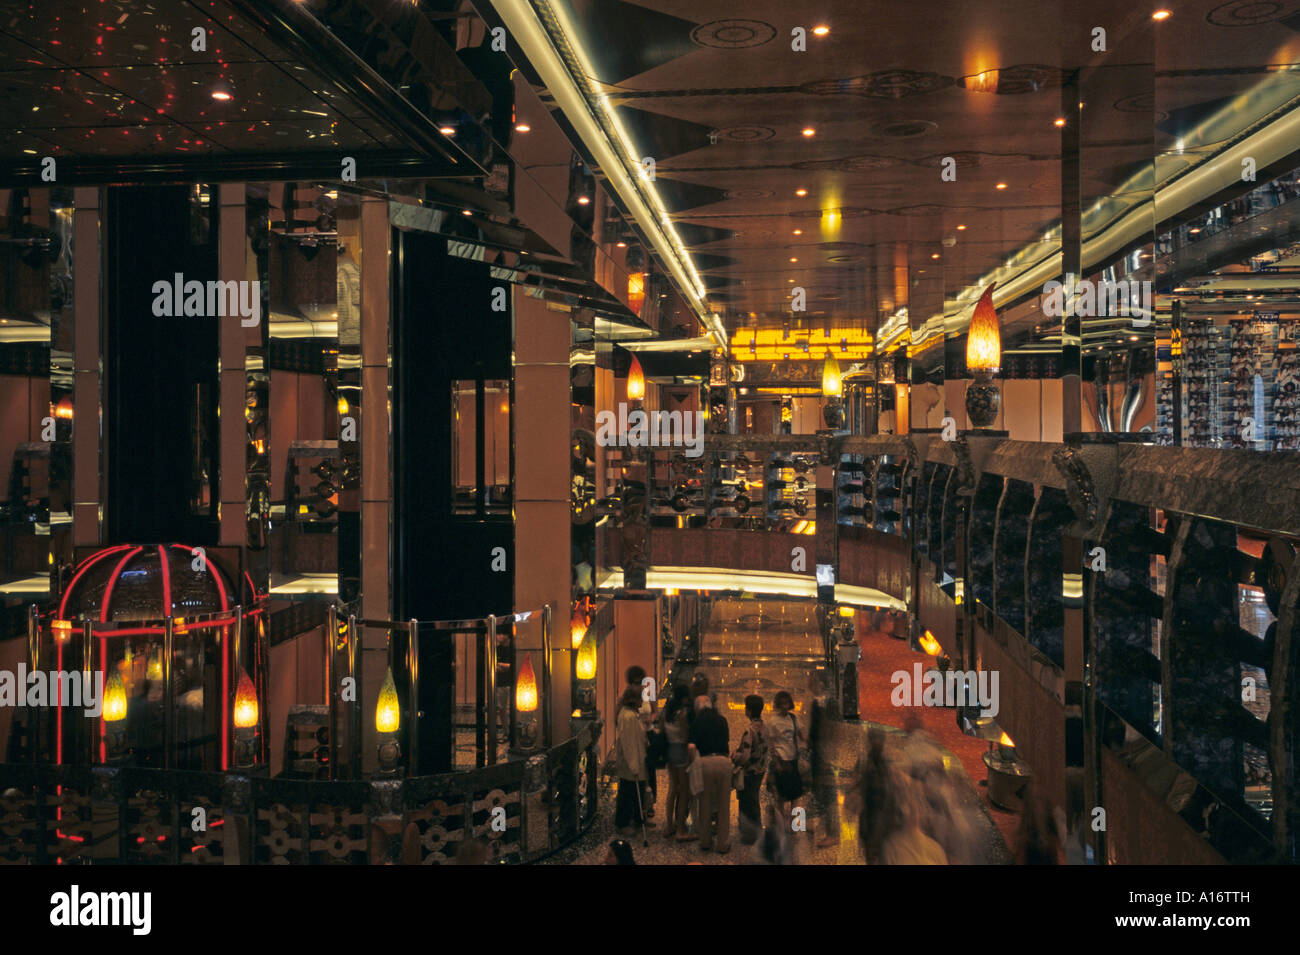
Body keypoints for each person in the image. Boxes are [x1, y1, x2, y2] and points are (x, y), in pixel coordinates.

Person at [689, 694, 732, 853]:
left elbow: (692, 747)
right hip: (723, 761)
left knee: (705, 803)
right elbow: (726, 743)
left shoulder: (696, 722)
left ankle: (705, 841)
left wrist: (694, 765)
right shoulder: (722, 720)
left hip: (705, 763)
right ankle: (723, 844)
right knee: (723, 805)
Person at [878, 767, 947, 865]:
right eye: (908, 800)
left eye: (919, 800)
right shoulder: (892, 846)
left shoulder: (935, 849)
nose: (917, 806)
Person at [731, 694, 767, 845]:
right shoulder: (765, 727)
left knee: (747, 801)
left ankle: (749, 833)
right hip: (761, 769)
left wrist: (734, 756)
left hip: (750, 771)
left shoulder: (749, 731)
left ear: (750, 711)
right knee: (754, 799)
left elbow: (745, 755)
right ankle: (757, 829)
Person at [765, 690, 806, 823]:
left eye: (787, 703)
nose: (784, 706)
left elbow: (802, 735)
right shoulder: (773, 721)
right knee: (781, 796)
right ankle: (781, 824)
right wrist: (776, 762)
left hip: (793, 759)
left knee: (796, 795)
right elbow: (771, 744)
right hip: (781, 760)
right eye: (782, 704)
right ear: (778, 705)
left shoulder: (794, 719)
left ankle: (795, 824)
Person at [662, 683, 695, 841]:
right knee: (683, 791)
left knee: (672, 789)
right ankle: (680, 828)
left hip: (669, 750)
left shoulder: (667, 712)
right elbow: (685, 734)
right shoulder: (682, 714)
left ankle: (669, 825)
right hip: (681, 751)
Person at [614, 688, 648, 837]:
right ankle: (622, 823)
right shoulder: (628, 717)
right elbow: (629, 743)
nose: (642, 701)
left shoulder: (632, 715)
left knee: (637, 791)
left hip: (638, 759)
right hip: (631, 761)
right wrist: (633, 764)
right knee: (627, 792)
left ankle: (638, 818)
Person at [626, 665, 657, 818]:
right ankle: (637, 809)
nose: (640, 685)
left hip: (648, 734)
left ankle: (650, 804)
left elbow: (655, 711)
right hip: (636, 736)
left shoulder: (649, 691)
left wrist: (649, 721)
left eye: (641, 682)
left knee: (650, 771)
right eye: (636, 683)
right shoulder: (629, 698)